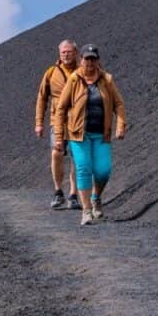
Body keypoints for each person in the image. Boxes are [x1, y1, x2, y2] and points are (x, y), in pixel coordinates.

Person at [52, 44, 126, 225]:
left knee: (103, 171)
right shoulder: (74, 80)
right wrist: (59, 136)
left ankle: (96, 198)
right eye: (87, 59)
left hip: (101, 134)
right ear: (81, 60)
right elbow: (61, 108)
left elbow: (118, 104)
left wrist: (120, 126)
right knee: (83, 168)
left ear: (98, 60)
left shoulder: (106, 80)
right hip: (78, 135)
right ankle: (86, 211)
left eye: (93, 59)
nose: (90, 63)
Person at [35, 40, 82, 210]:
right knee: (56, 153)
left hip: (78, 120)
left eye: (69, 52)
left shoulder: (83, 70)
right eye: (63, 52)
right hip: (57, 121)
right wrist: (39, 123)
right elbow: (42, 98)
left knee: (77, 157)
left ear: (75, 52)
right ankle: (58, 191)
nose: (66, 55)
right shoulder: (51, 72)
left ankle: (74, 195)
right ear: (59, 53)